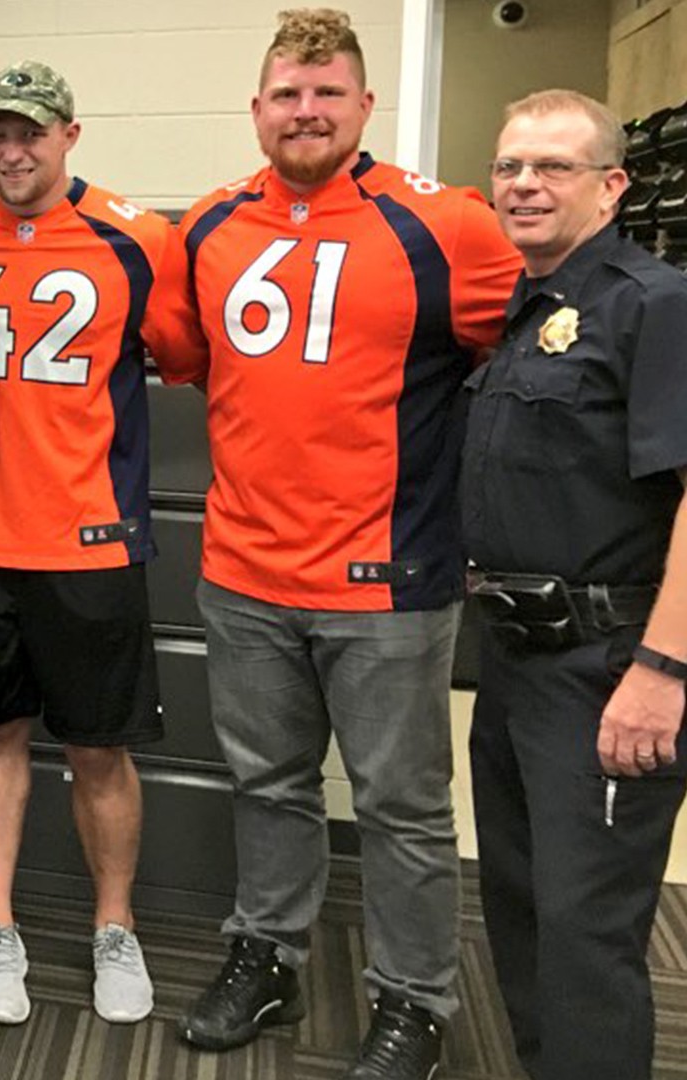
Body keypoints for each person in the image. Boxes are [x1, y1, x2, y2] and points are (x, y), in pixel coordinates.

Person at [172, 10, 521, 1078]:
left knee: (402, 809)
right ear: (259, 108)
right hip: (243, 570)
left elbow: (537, 353)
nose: (307, 111)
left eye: (327, 93)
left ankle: (414, 1000)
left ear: (366, 106)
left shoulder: (446, 224)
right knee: (268, 783)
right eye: (288, 93)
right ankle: (267, 952)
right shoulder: (208, 226)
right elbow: (192, 361)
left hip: (390, 583)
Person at [0, 60, 205, 1027]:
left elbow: (182, 357)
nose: (13, 151)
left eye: (31, 133)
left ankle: (113, 927)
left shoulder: (137, 239)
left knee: (98, 751)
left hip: (88, 543)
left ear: (70, 135)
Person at [464, 89, 687, 1080]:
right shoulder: (534, 305)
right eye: (511, 165)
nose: (524, 184)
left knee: (588, 938)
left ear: (611, 185)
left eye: (553, 166)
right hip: (515, 666)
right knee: (520, 911)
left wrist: (663, 671)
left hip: (607, 673)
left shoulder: (655, 304)